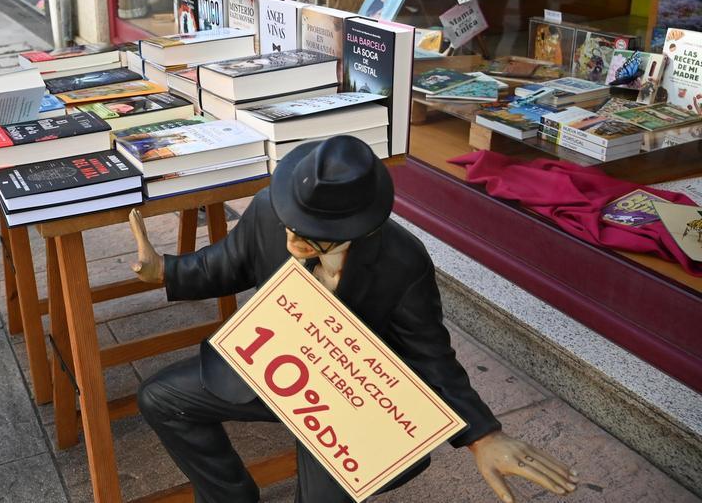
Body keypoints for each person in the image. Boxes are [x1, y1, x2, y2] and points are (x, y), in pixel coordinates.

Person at [128, 136, 578, 503]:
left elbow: (431, 355)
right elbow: (224, 264)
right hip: (277, 366)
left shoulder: (403, 261)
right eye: (292, 226)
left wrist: (483, 436)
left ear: (360, 229)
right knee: (161, 398)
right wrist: (163, 270)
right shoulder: (271, 210)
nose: (294, 242)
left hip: (352, 400)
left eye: (313, 238)